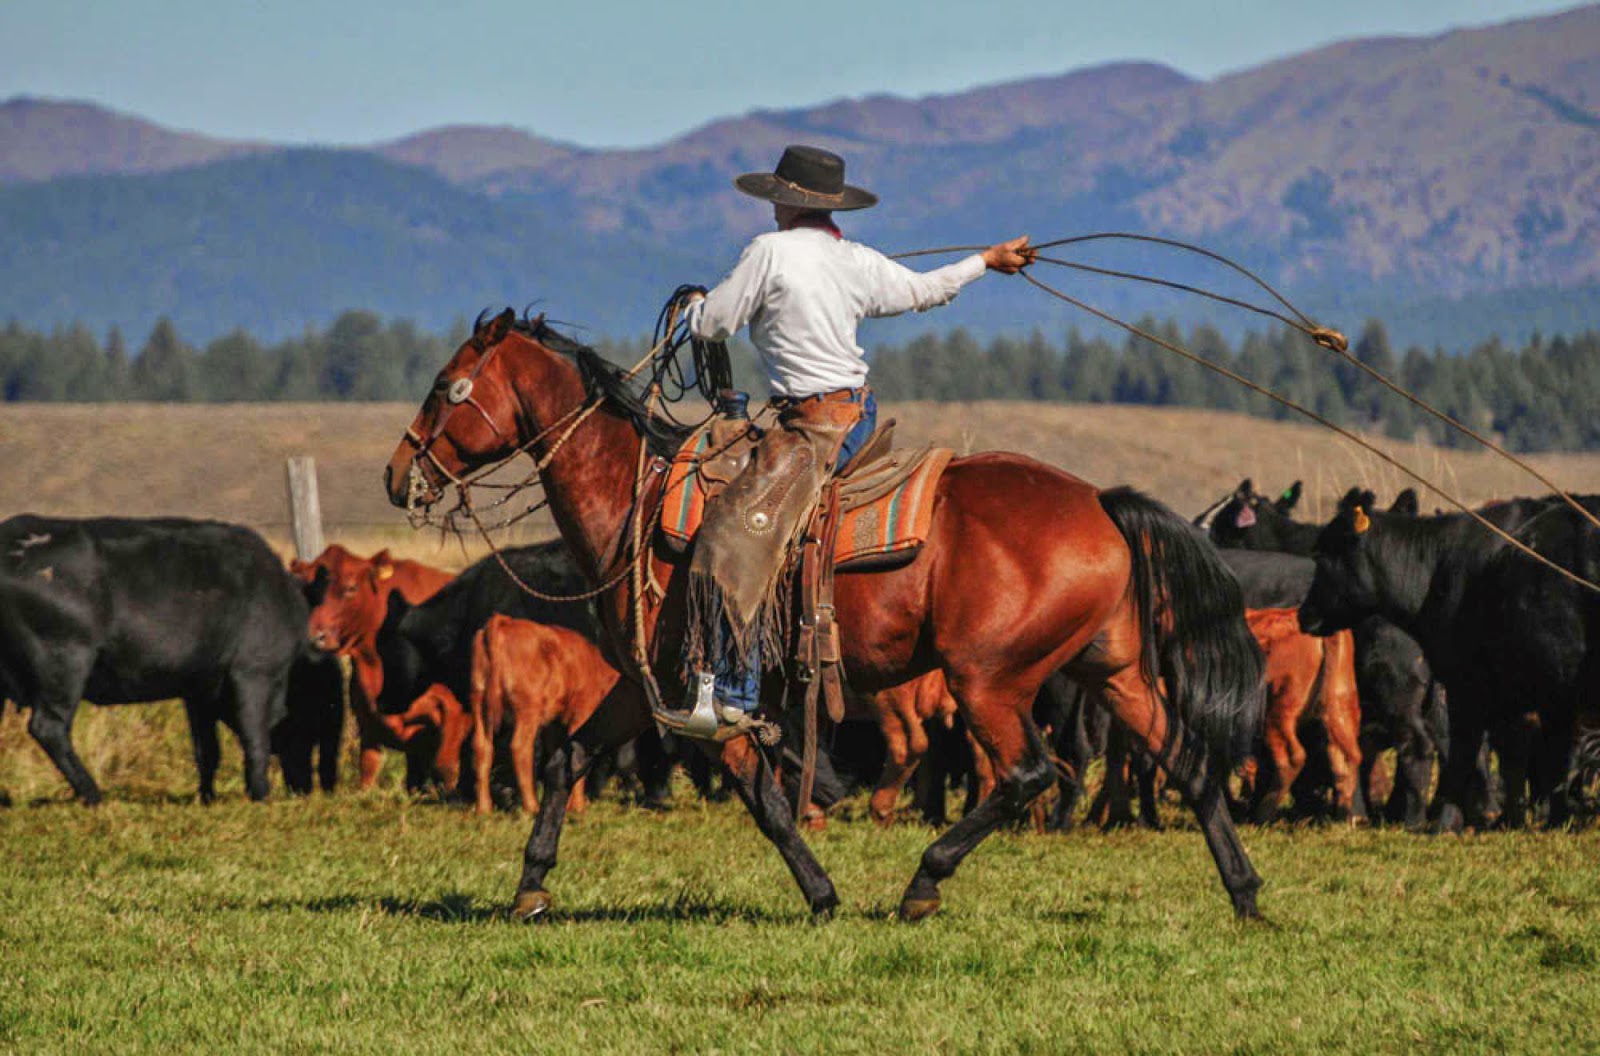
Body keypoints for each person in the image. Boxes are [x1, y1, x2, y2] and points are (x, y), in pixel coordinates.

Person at [670, 144, 1034, 737]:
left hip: (813, 428)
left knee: (734, 534)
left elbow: (714, 324)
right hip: (856, 414)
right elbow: (923, 292)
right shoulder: (855, 259)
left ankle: (730, 697)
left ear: (783, 201)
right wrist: (985, 261)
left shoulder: (769, 252)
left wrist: (692, 310)